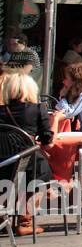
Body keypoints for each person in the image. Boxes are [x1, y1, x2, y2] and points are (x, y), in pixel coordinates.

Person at [0, 72, 53, 236]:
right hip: (27, 163)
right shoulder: (37, 109)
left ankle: (2, 219)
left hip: (2, 165)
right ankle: (25, 220)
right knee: (42, 172)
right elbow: (48, 142)